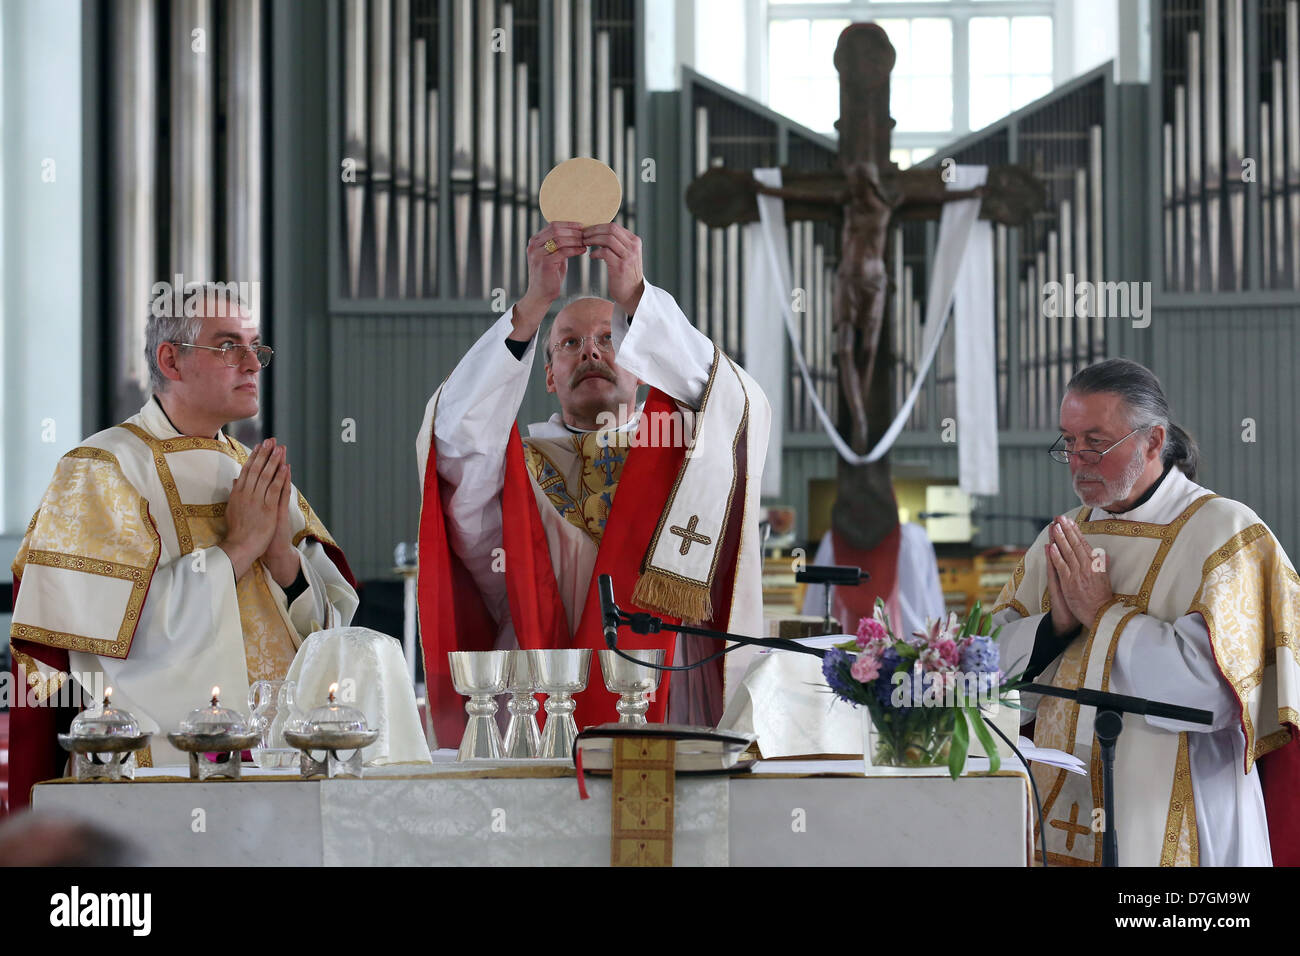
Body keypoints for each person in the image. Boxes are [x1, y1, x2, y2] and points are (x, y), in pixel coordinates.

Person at [417, 222, 770, 743]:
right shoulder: (514, 470)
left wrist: (638, 298)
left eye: (610, 338)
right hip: (536, 696)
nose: (591, 352)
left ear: (645, 366)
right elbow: (453, 439)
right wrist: (532, 307)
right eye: (568, 343)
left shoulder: (686, 453)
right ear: (549, 377)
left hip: (665, 687)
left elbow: (742, 407)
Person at [8, 289, 358, 807]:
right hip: (157, 767)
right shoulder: (102, 468)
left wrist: (282, 557)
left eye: (255, 347)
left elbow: (330, 636)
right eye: (228, 346)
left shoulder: (252, 468)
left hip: (278, 758)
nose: (251, 363)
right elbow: (119, 642)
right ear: (171, 359)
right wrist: (237, 549)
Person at [992, 358, 1299, 866]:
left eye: (1095, 441)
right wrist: (1056, 626)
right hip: (1055, 805)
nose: (1077, 460)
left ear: (1153, 441)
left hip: (1178, 809)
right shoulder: (1063, 537)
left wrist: (1105, 613)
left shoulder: (1224, 534)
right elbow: (990, 673)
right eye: (1068, 441)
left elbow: (1214, 696)